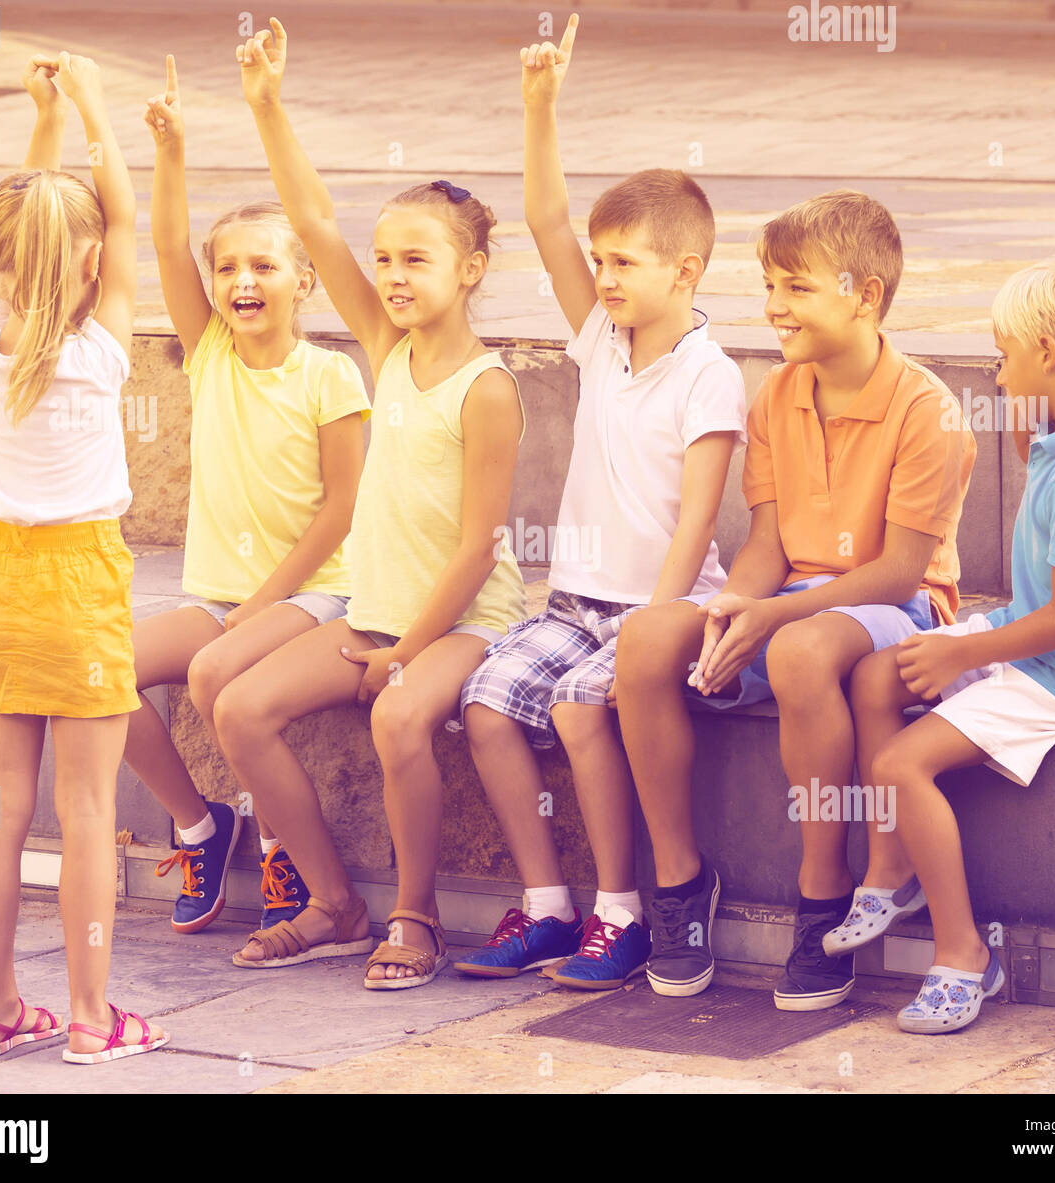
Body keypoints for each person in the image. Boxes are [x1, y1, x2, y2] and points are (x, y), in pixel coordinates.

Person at [215, 18, 526, 987]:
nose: (389, 276)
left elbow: (477, 550)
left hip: (465, 620)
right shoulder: (385, 351)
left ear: (470, 270)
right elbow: (312, 222)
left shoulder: (486, 386)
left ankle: (415, 913)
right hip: (375, 613)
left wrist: (402, 652)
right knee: (238, 705)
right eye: (383, 259)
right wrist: (267, 106)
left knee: (398, 719)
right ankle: (334, 901)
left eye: (415, 261)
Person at [615, 189, 977, 1000]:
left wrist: (774, 616)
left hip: (899, 606)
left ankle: (823, 893)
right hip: (794, 599)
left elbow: (896, 571)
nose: (774, 307)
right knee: (646, 638)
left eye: (797, 287)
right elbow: (768, 546)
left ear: (866, 295)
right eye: (769, 285)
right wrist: (732, 608)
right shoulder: (777, 394)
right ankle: (679, 885)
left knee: (801, 648)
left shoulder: (929, 411)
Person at [454, 13, 746, 992]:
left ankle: (623, 912)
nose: (604, 278)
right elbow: (543, 220)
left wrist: (656, 627)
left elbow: (699, 518)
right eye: (602, 261)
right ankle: (547, 907)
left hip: (664, 608)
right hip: (573, 600)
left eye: (624, 264)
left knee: (585, 704)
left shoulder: (708, 374)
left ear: (685, 272)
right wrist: (540, 106)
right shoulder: (599, 342)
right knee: (489, 700)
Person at [843, 256, 1055, 1033]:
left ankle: (963, 954)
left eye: (1005, 351)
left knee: (899, 761)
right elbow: (1034, 457)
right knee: (878, 675)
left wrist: (963, 653)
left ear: (1049, 353)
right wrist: (1026, 405)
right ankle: (894, 865)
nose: (997, 368)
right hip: (1027, 637)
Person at [124, 55, 369, 936]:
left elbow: (342, 511)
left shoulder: (329, 375)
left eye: (263, 266)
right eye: (227, 269)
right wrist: (171, 147)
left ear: (302, 279)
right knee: (88, 668)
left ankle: (286, 853)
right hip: (224, 597)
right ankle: (202, 824)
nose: (241, 283)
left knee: (216, 670)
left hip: (313, 592)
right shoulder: (213, 355)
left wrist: (261, 606)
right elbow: (162, 245)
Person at [0, 52, 167, 1063]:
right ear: (86, 263)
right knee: (86, 812)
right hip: (80, 580)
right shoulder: (103, 353)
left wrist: (35, 119)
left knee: (2, 806)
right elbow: (117, 218)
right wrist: (87, 103)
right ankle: (91, 1016)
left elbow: (21, 222)